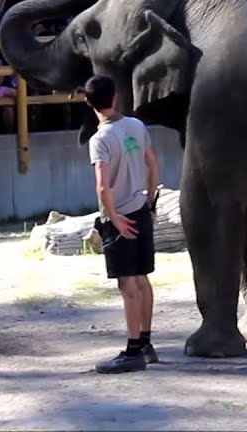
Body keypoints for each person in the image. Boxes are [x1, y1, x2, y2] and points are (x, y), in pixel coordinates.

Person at [84, 74, 162, 374]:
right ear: (115, 97)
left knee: (127, 283)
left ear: (88, 102)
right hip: (141, 208)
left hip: (120, 215)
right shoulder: (136, 126)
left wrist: (114, 218)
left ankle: (132, 350)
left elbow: (102, 186)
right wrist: (151, 200)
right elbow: (152, 164)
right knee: (142, 278)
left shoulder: (99, 140)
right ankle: (145, 342)